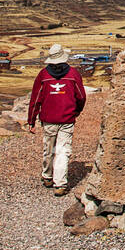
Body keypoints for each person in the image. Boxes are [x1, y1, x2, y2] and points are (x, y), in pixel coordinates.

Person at [28, 44, 87, 195]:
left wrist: (31, 120)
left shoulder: (43, 75)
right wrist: (77, 111)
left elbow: (35, 99)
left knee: (49, 148)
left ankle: (47, 176)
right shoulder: (73, 74)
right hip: (67, 119)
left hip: (48, 119)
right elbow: (81, 96)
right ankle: (60, 184)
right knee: (63, 151)